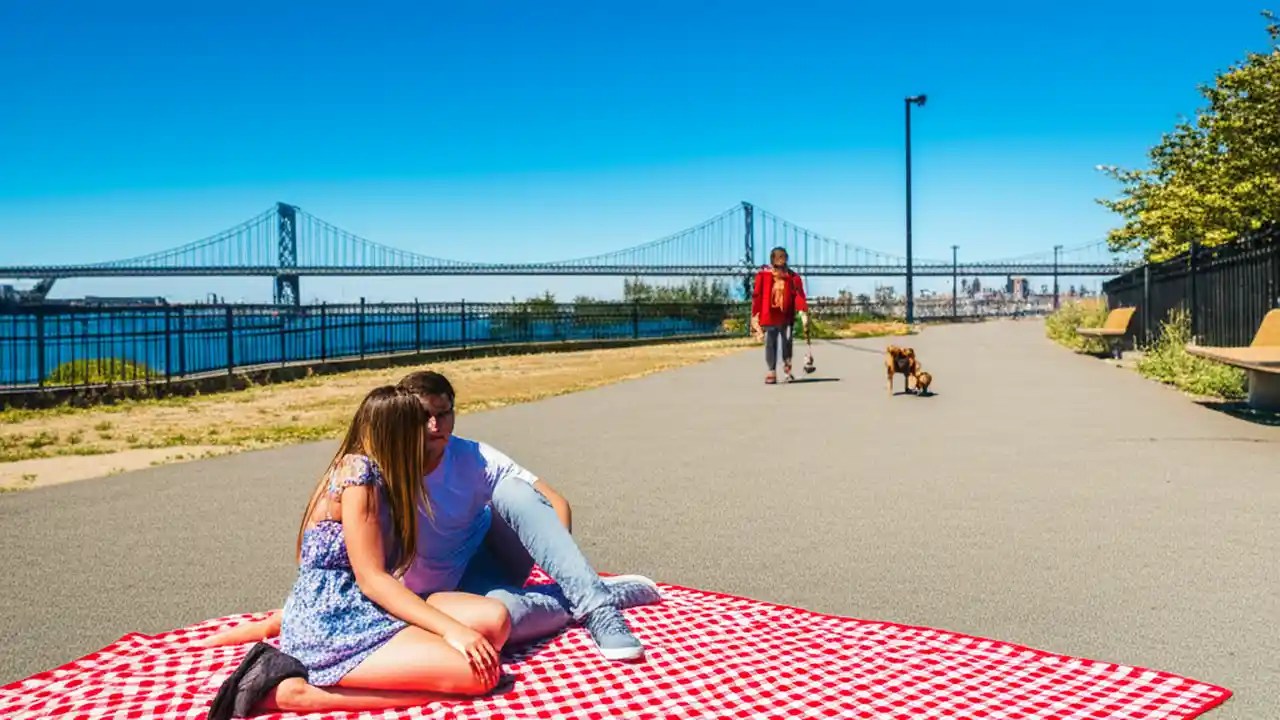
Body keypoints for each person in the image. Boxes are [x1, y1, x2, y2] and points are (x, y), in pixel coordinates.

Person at [208, 386, 514, 720]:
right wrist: (453, 630)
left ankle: (287, 626)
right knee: (477, 674)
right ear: (397, 432)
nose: (429, 430)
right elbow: (372, 580)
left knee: (494, 624)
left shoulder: (377, 471)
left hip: (361, 606)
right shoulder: (359, 474)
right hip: (333, 621)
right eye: (418, 424)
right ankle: (299, 695)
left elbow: (308, 558)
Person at [751, 246, 810, 384]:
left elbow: (798, 295)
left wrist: (803, 311)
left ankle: (787, 368)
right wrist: (755, 315)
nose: (782, 260)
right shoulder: (763, 276)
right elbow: (757, 296)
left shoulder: (793, 277)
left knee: (787, 342)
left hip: (786, 316)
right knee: (770, 344)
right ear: (773, 259)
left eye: (784, 257)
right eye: (779, 257)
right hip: (769, 316)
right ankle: (771, 371)